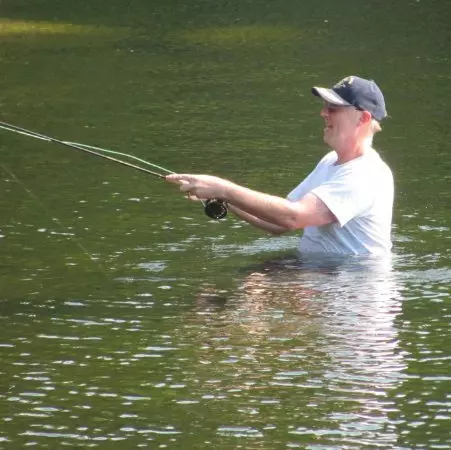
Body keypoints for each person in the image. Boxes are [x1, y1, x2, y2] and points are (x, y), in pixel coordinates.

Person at [166, 75, 394, 256]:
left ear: (363, 119)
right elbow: (277, 222)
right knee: (250, 288)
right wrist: (222, 197)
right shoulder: (329, 162)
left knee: (251, 291)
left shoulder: (366, 175)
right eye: (325, 106)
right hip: (321, 274)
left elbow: (293, 217)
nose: (323, 112)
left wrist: (224, 188)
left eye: (333, 108)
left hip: (354, 284)